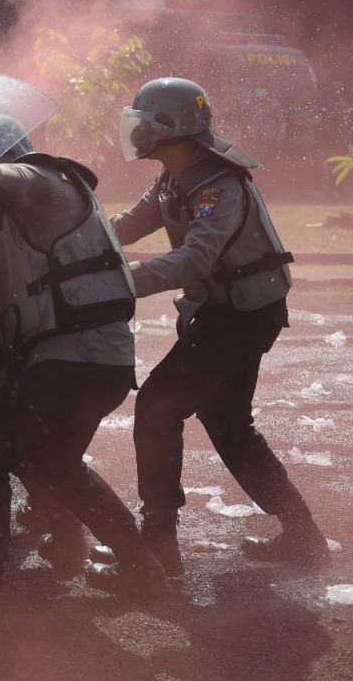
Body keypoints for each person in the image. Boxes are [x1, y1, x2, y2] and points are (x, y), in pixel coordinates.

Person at [110, 77, 327, 575]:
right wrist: (72, 242)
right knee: (227, 421)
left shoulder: (217, 184)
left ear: (169, 128)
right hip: (225, 311)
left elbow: (194, 259)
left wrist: (114, 282)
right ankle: (304, 537)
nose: (136, 132)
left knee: (159, 405)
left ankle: (159, 545)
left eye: (144, 123)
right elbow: (126, 226)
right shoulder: (174, 177)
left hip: (243, 315)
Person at [0, 126, 168, 600]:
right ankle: (134, 567)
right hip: (86, 361)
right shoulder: (16, 213)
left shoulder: (39, 179)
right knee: (54, 465)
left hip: (75, 359)